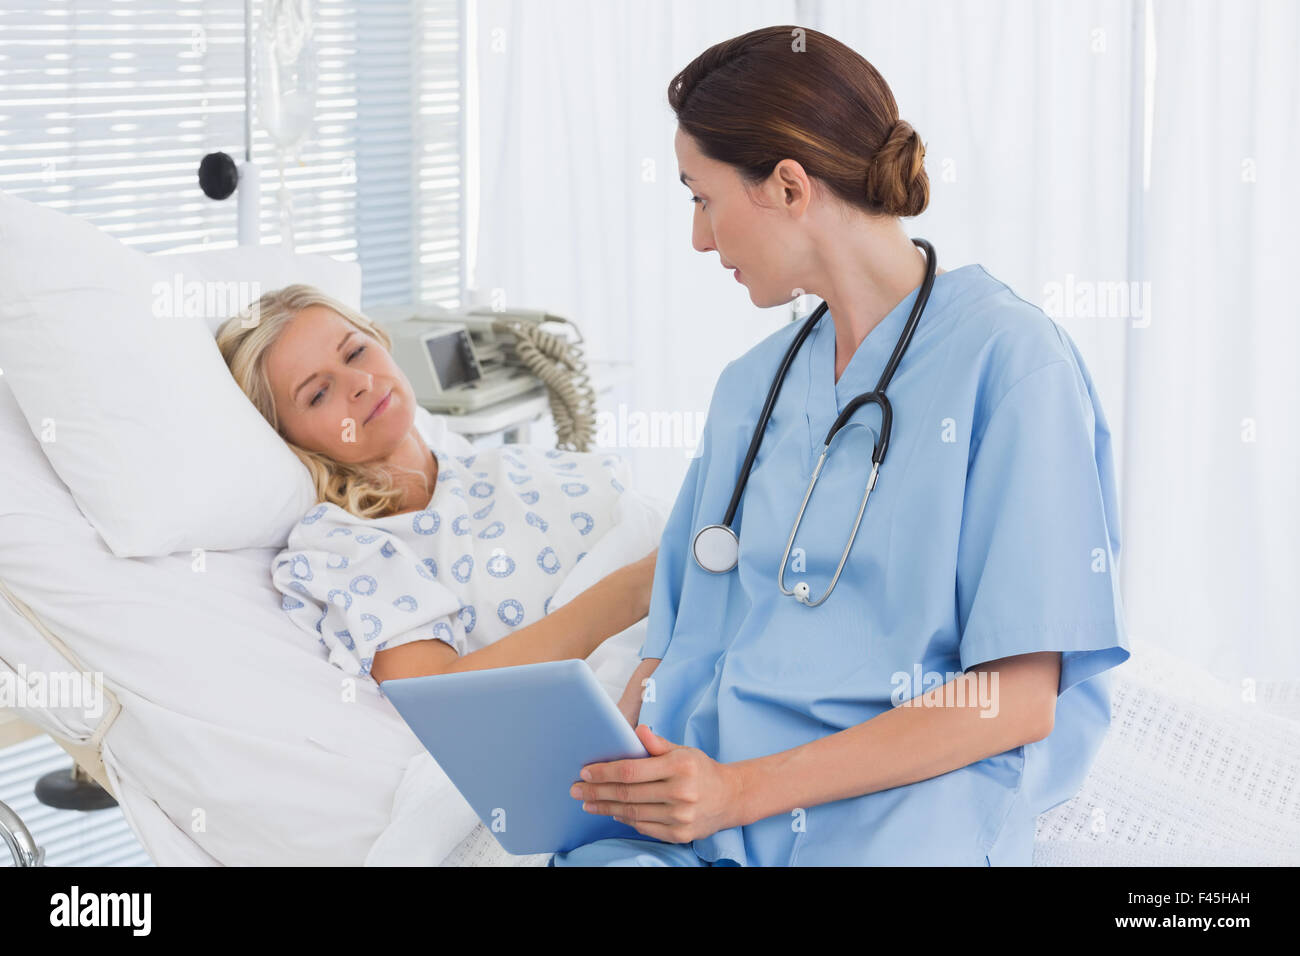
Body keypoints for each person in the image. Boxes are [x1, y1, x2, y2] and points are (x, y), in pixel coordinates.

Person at [553, 25, 1130, 867]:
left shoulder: (1011, 365)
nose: (700, 240)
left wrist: (738, 792)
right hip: (697, 817)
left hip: (891, 815)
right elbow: (670, 648)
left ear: (787, 186)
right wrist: (625, 785)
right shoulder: (753, 387)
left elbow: (1016, 702)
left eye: (701, 197)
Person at [215, 286, 657, 685]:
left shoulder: (501, 466)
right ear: (287, 439)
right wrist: (641, 587)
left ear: (382, 341)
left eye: (355, 353)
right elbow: (443, 693)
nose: (361, 383)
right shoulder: (347, 548)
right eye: (317, 394)